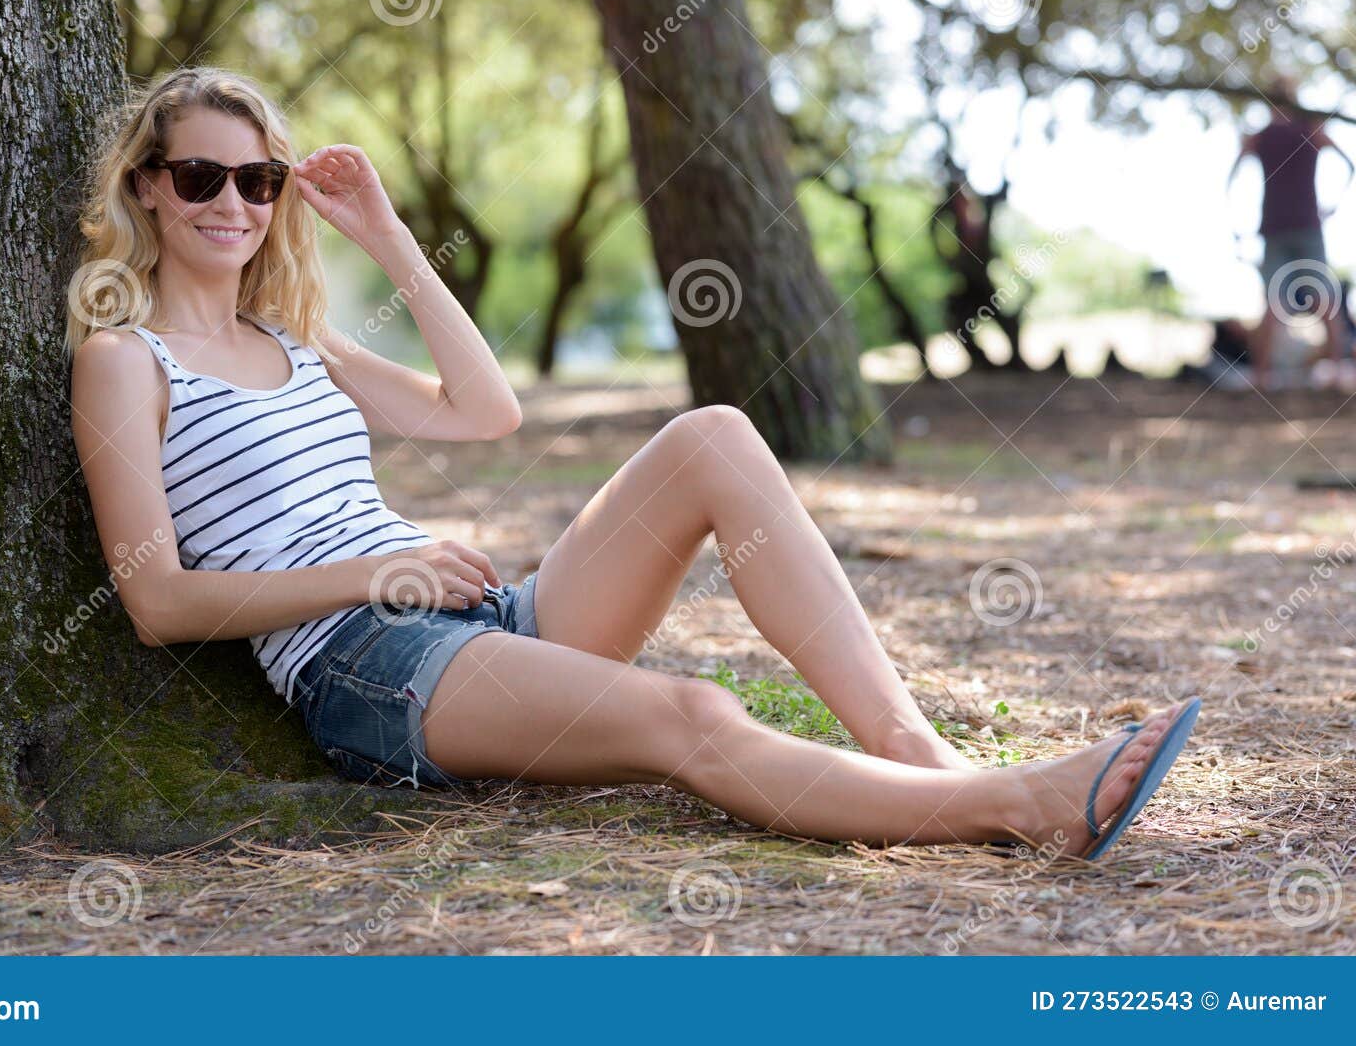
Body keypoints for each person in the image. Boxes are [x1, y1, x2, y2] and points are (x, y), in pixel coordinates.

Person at [66, 67, 1199, 860]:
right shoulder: (127, 361)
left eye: (258, 181)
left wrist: (388, 237)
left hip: (480, 620)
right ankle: (1015, 807)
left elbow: (485, 410)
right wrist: (374, 577)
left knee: (712, 436)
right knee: (687, 715)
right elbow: (157, 602)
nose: (233, 204)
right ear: (148, 187)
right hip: (368, 662)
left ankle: (913, 749)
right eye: (202, 178)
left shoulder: (295, 340)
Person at [1227, 75, 1356, 389]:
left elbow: (1231, 179)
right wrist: (1332, 206)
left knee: (1274, 303)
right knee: (1324, 300)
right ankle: (1337, 373)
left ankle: (1261, 376)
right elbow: (1349, 165)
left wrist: (1236, 227)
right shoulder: (1312, 132)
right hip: (1307, 225)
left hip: (1273, 228)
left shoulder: (1259, 137)